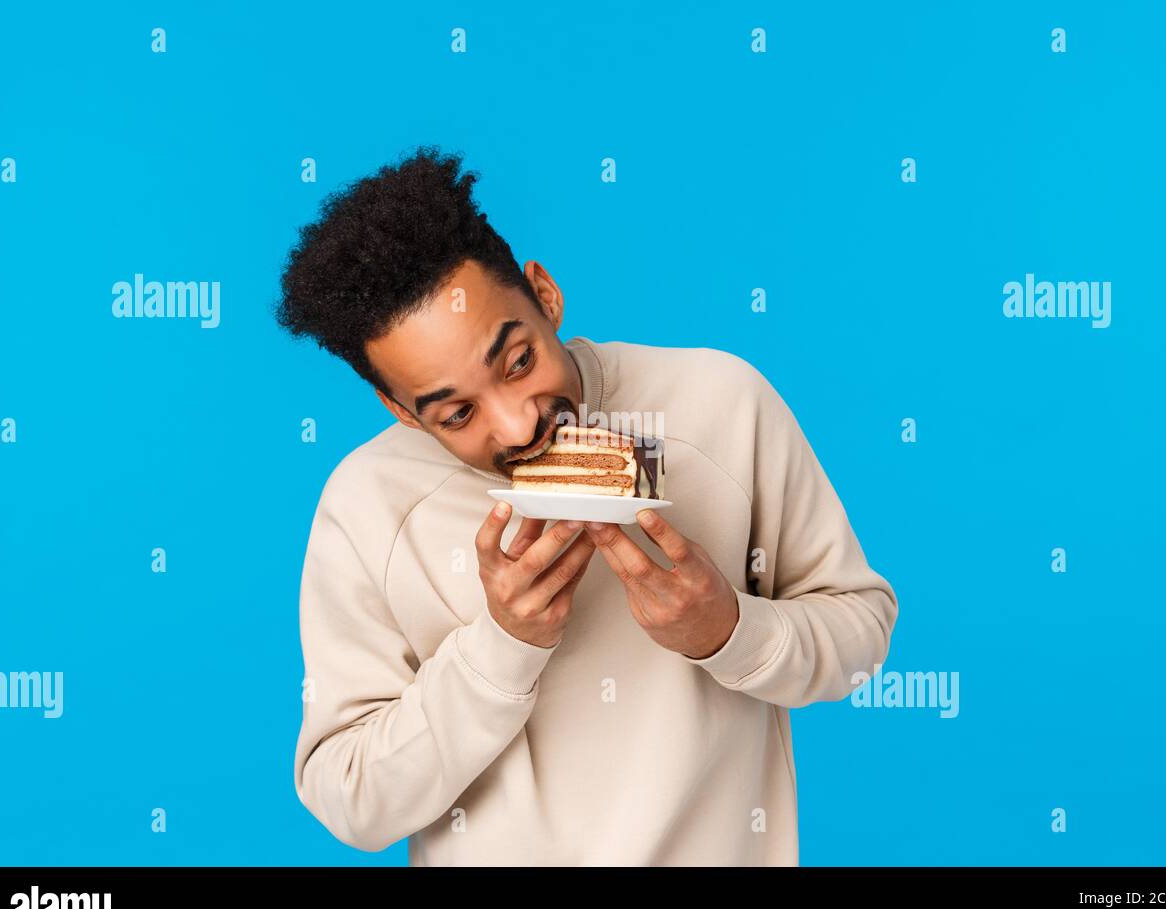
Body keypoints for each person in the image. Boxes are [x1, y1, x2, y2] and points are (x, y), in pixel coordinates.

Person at [274, 145, 899, 865]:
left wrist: (728, 629)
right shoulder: (365, 506)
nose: (516, 426)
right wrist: (501, 645)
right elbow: (350, 802)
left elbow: (861, 636)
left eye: (517, 363)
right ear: (400, 411)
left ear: (544, 295)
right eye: (455, 415)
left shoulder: (723, 401)